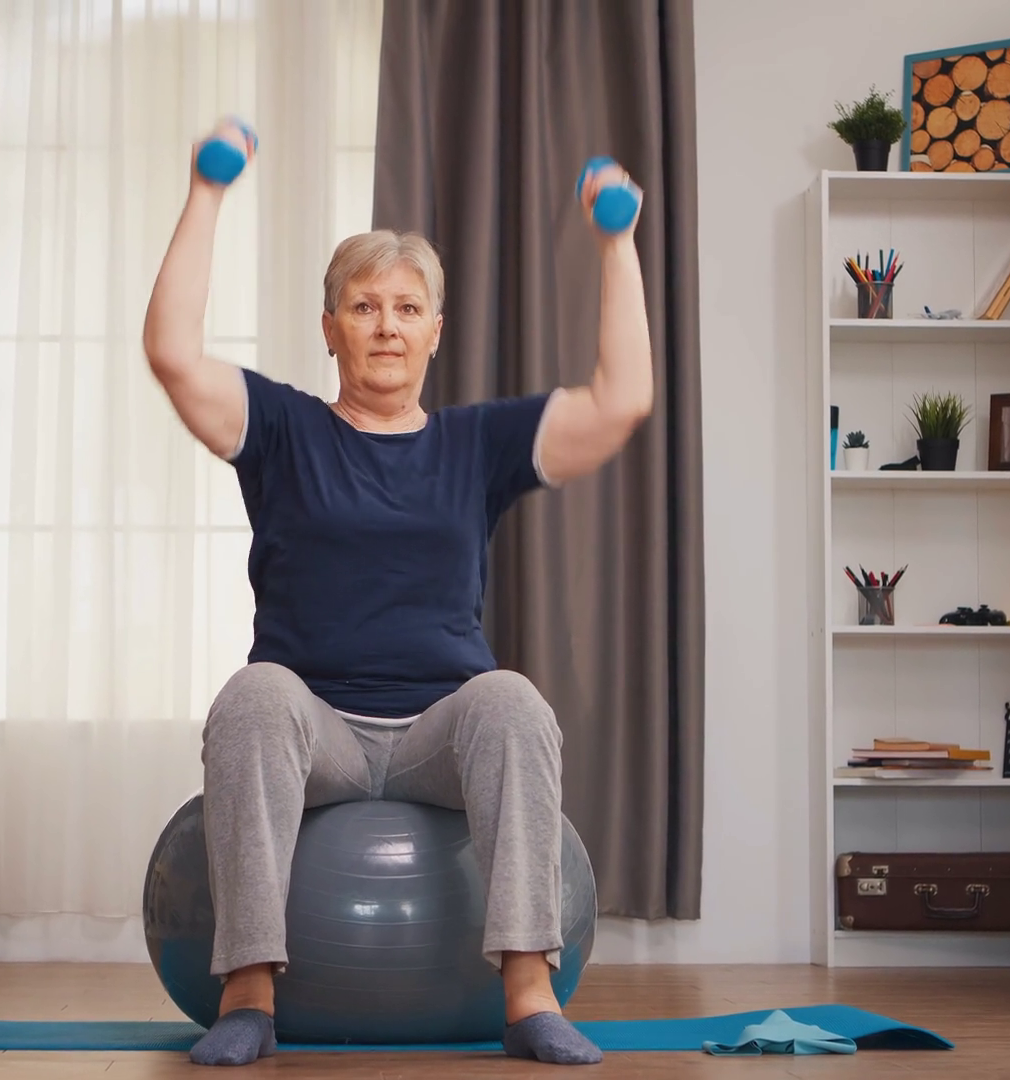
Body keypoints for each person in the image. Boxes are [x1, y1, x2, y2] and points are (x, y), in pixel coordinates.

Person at [140, 119, 653, 1067]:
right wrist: (206, 192)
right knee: (254, 694)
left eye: (408, 308)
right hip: (315, 730)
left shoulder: (474, 444)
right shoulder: (284, 430)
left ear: (434, 332)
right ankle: (248, 996)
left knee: (511, 699)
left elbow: (620, 401)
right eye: (364, 306)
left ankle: (529, 998)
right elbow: (173, 352)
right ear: (330, 327)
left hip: (436, 736)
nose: (386, 326)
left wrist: (617, 242)